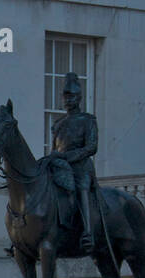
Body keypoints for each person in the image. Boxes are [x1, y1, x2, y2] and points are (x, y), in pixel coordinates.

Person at [47, 71, 98, 254]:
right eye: (65, 97)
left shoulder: (87, 120)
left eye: (72, 97)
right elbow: (54, 148)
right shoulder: (59, 123)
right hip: (61, 166)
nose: (68, 101)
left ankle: (87, 233)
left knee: (81, 188)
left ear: (79, 98)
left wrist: (68, 157)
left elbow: (92, 147)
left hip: (80, 166)